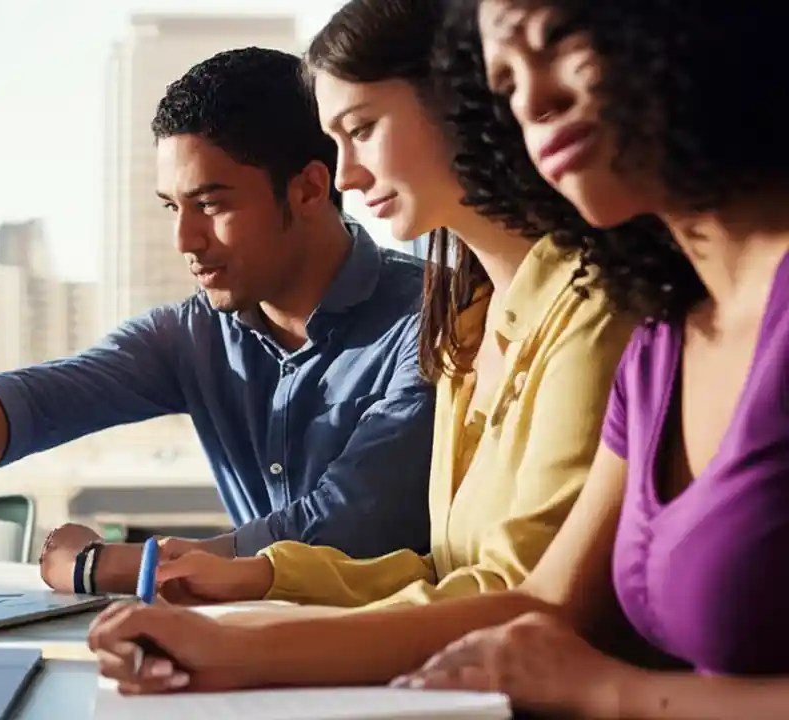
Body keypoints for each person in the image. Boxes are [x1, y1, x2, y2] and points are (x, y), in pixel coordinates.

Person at [89, 0, 789, 716]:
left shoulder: (611, 307)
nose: (533, 104)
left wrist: (617, 694)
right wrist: (255, 597)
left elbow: (529, 604)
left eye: (362, 129)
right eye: (508, 81)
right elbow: (509, 586)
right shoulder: (616, 335)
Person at [0, 48, 437, 595]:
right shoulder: (197, 333)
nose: (185, 240)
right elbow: (43, 395)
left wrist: (107, 567)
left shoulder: (427, 320)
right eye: (171, 207)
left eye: (211, 204)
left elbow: (350, 525)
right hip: (256, 659)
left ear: (310, 189)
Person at [138, 0, 635, 615]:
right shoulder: (460, 323)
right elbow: (448, 566)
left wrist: (250, 645)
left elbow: (517, 596)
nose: (344, 176)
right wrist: (262, 577)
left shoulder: (594, 309)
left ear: (456, 101)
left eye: (362, 129)